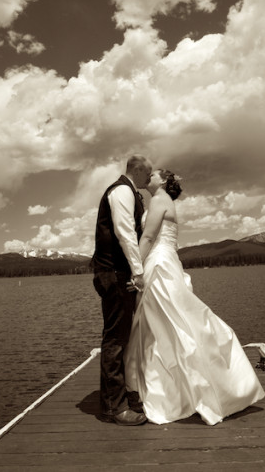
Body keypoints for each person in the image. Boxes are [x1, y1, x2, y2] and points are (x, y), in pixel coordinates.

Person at [125, 169, 265, 425]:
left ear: (164, 181)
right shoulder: (161, 201)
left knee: (166, 326)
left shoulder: (159, 200)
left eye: (153, 174)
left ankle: (177, 391)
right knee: (166, 326)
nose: (148, 176)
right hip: (166, 260)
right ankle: (173, 387)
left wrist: (135, 269)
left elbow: (147, 236)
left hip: (158, 263)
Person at [92, 154, 153, 425]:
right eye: (148, 174)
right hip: (116, 274)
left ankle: (119, 399)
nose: (150, 179)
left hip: (118, 273)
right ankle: (114, 409)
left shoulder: (130, 191)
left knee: (121, 338)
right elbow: (124, 231)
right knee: (115, 340)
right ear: (137, 170)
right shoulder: (121, 191)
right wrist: (138, 272)